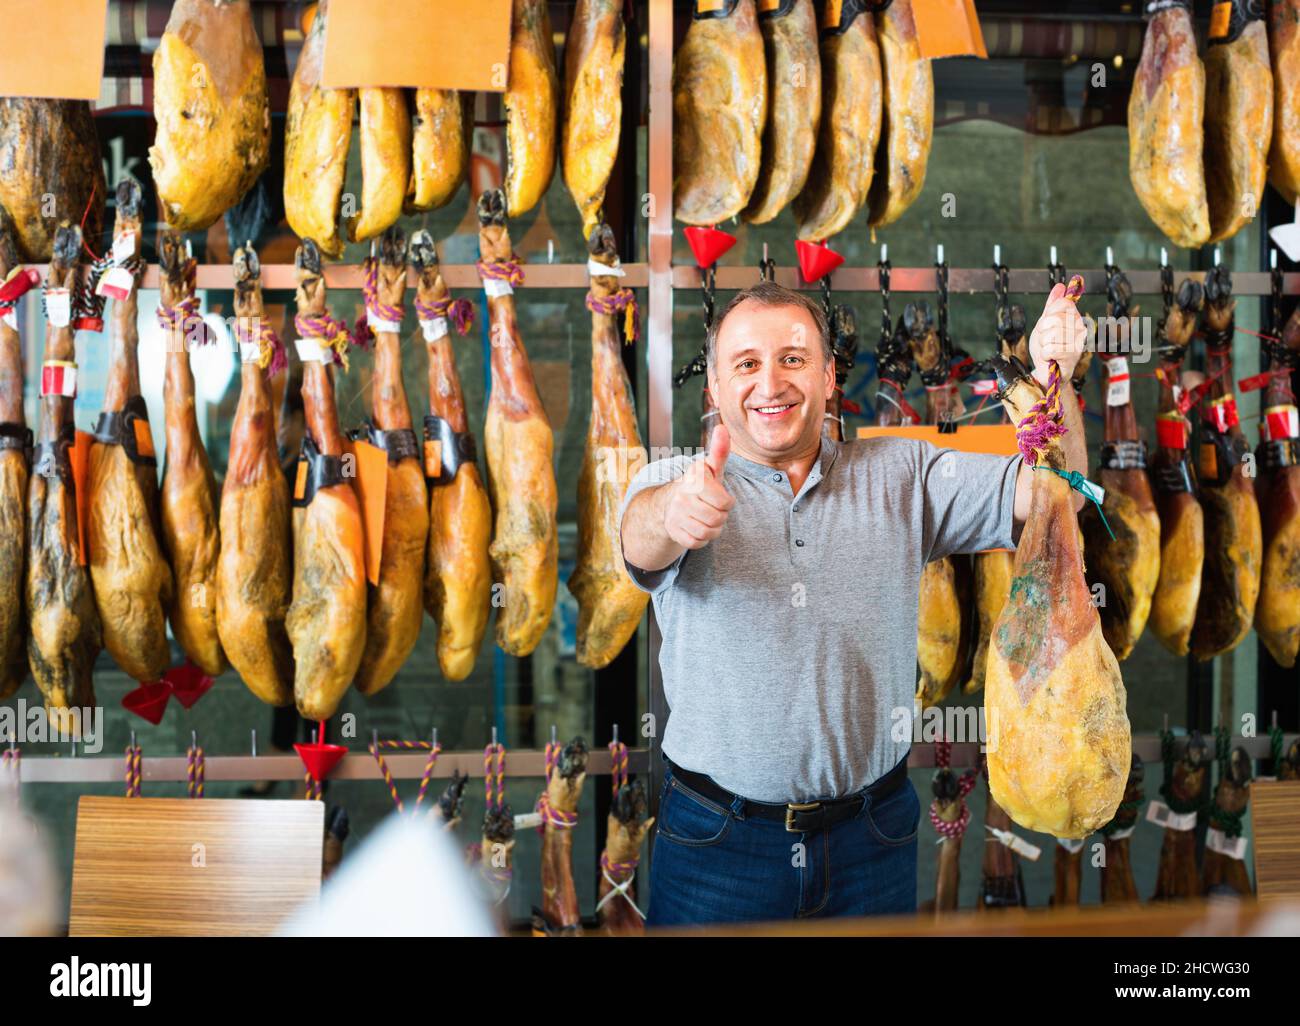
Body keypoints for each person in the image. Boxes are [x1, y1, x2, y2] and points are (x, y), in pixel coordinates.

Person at [618, 279, 1089, 925]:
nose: (771, 383)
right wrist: (674, 514)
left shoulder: (903, 473)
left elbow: (1059, 496)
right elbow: (640, 537)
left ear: (830, 374)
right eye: (746, 364)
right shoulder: (672, 483)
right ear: (715, 390)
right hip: (717, 843)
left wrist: (1054, 376)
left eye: (792, 358)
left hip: (872, 839)